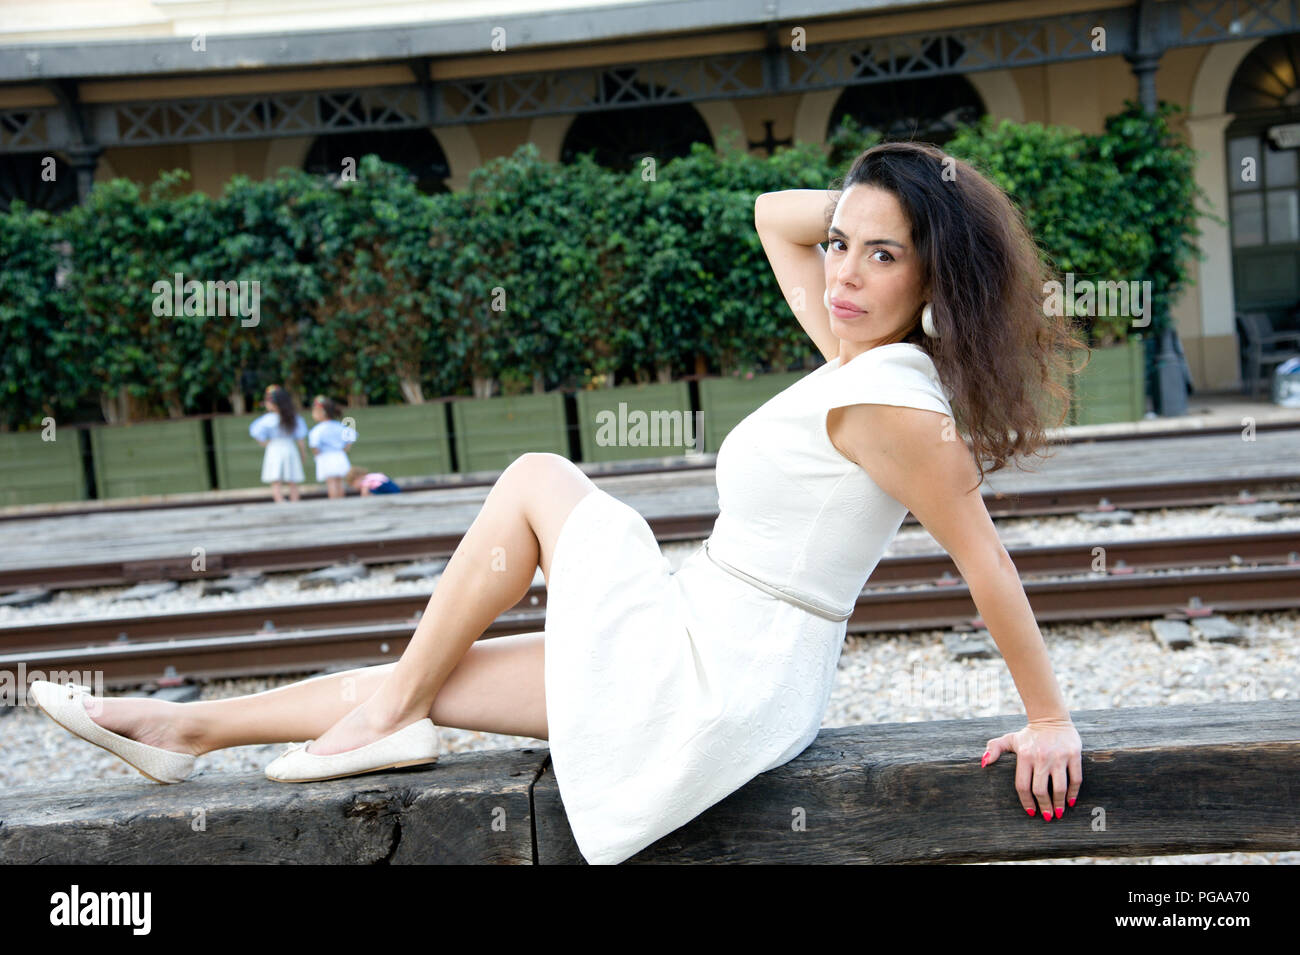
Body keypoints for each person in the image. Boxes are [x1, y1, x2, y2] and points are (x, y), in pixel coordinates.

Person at [29, 141, 1085, 866]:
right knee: (427, 673)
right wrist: (889, 197)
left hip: (721, 668)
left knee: (538, 478)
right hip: (699, 631)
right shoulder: (864, 354)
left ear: (931, 272)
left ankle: (379, 718)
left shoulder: (889, 399)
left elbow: (982, 560)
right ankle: (185, 728)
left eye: (882, 254)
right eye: (843, 244)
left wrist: (1047, 717)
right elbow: (774, 216)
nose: (842, 270)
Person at [248, 385, 308, 503]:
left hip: (274, 448)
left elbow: (255, 432)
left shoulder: (267, 419)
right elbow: (300, 438)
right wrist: (303, 453)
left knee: (275, 478)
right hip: (290, 447)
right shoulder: (294, 417)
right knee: (292, 477)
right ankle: (294, 500)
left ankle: (279, 500)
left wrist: (265, 443)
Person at [307, 395, 356, 499]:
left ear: (322, 412)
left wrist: (317, 454)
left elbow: (314, 446)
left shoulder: (318, 430)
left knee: (331, 481)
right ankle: (341, 500)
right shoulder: (339, 426)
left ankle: (333, 501)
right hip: (340, 455)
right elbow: (351, 436)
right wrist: (344, 449)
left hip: (326, 457)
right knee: (339, 481)